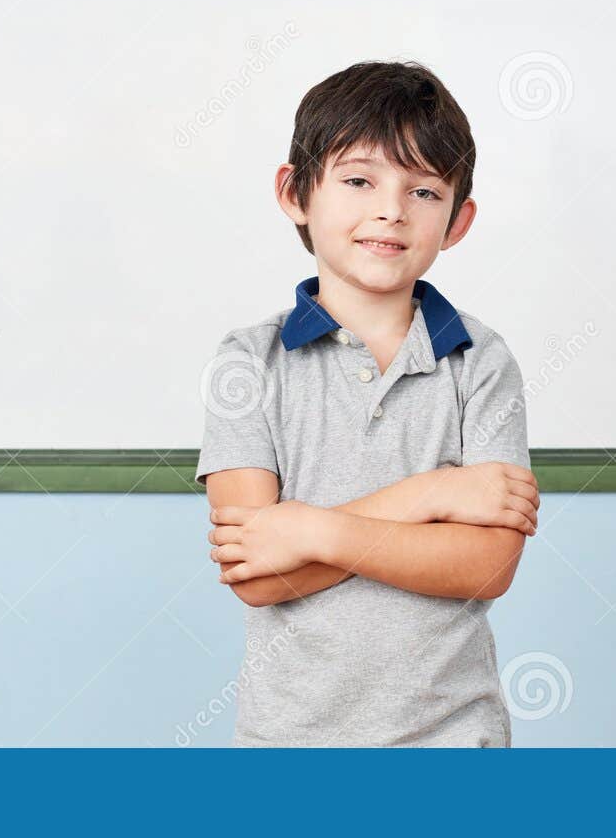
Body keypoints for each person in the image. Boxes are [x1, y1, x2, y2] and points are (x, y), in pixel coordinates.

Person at [195, 59, 540, 747]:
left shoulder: (483, 360)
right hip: (290, 746)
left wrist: (309, 531)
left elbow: (488, 566)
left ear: (458, 220)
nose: (391, 209)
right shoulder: (247, 363)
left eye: (424, 191)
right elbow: (257, 574)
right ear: (296, 193)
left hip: (454, 741)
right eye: (358, 180)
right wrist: (431, 494)